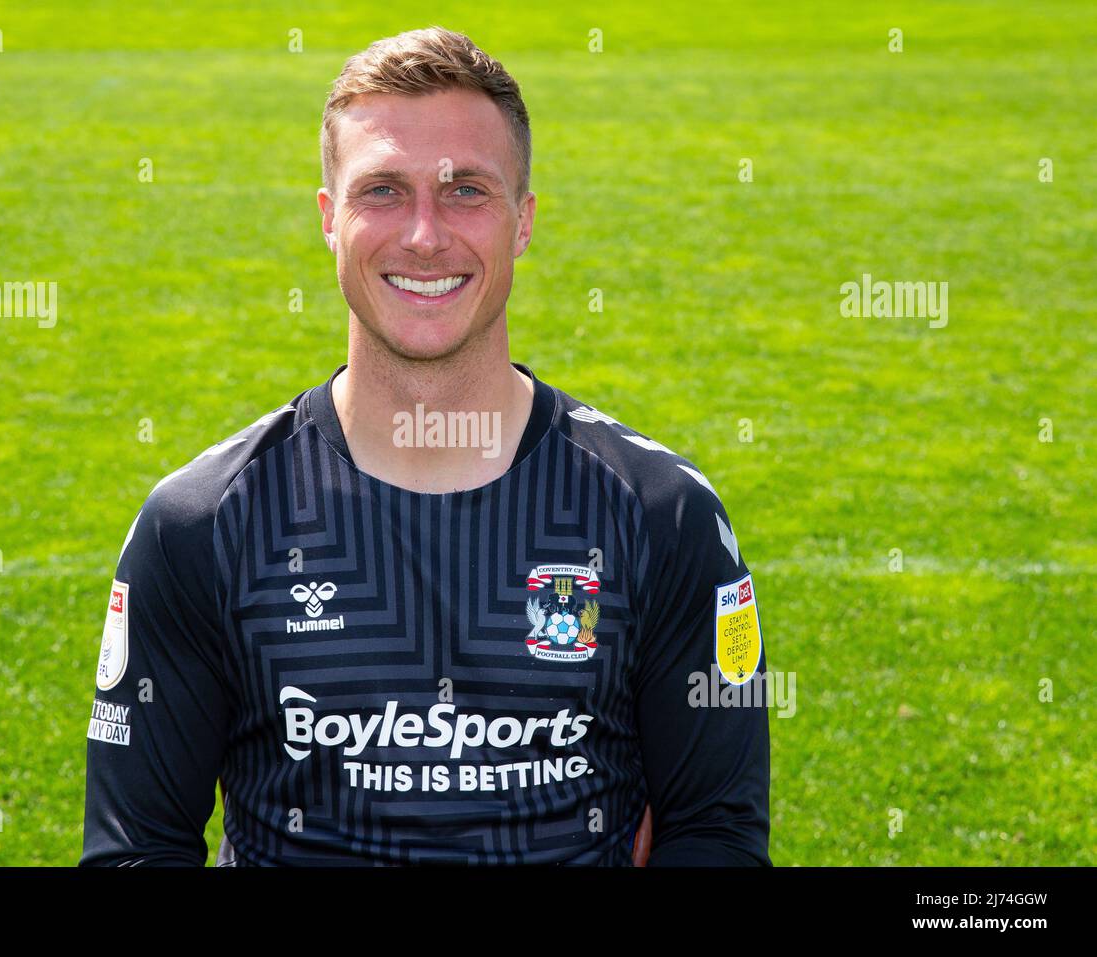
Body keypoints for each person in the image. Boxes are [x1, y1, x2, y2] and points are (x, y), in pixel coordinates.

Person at [81, 25, 770, 866]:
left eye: (466, 191)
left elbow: (716, 837)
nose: (423, 235)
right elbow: (136, 850)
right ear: (329, 221)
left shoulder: (665, 518)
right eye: (382, 192)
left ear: (523, 221)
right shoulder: (200, 523)